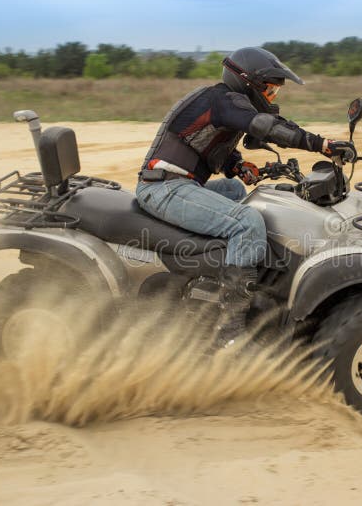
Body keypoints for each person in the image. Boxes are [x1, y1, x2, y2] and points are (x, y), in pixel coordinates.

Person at [136, 47, 349, 346]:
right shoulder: (223, 100)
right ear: (249, 83)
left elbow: (205, 144)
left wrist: (238, 166)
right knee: (248, 222)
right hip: (165, 188)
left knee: (237, 191)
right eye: (270, 89)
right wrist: (322, 144)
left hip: (179, 184)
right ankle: (230, 327)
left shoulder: (221, 102)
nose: (272, 97)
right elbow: (266, 126)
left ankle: (222, 269)